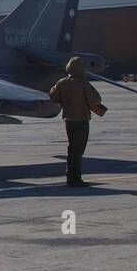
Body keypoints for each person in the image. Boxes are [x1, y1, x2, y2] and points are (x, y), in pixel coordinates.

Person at [48, 56, 104, 187]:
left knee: (71, 149)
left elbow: (52, 96)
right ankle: (75, 179)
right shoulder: (84, 84)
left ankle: (70, 176)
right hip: (82, 120)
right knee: (78, 151)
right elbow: (96, 100)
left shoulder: (62, 83)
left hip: (68, 120)